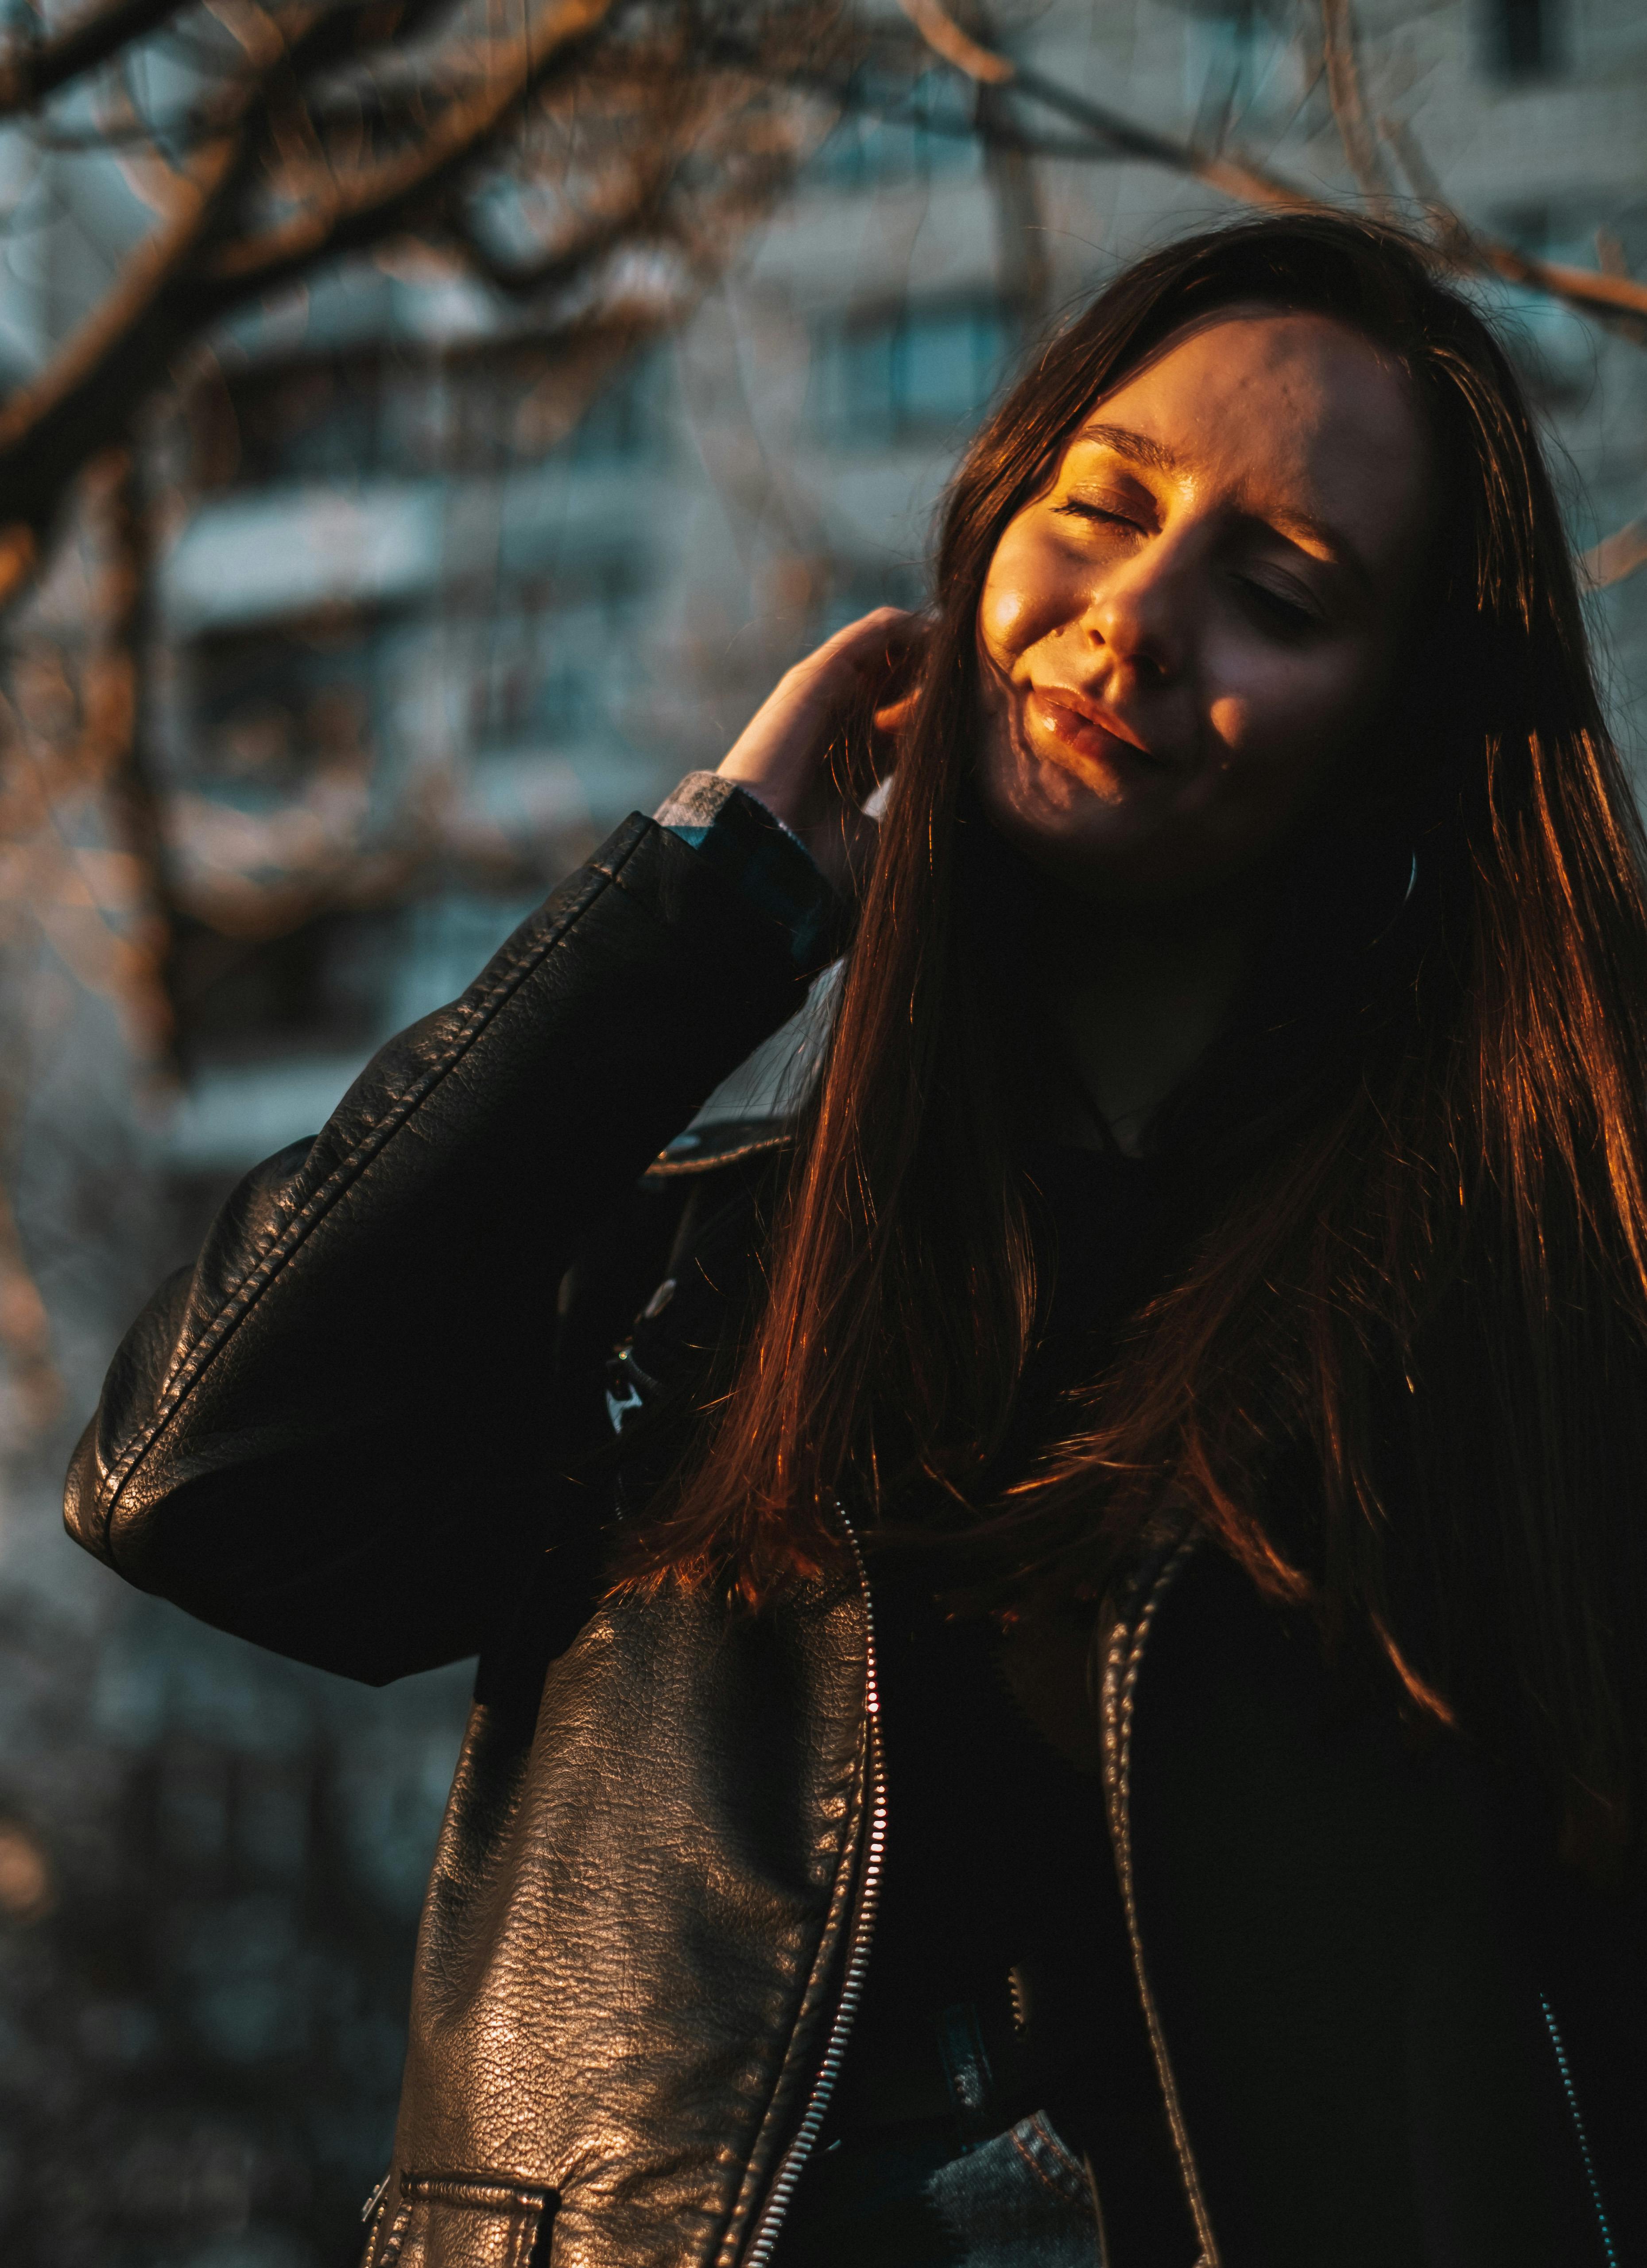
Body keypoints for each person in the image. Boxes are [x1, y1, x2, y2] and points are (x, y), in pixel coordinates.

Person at [66, 214, 1647, 2267]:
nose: (1137, 621)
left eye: (1277, 594)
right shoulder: (692, 1280)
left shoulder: (1518, 1329)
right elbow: (199, 1477)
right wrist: (695, 909)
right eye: (1102, 509)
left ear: (1398, 735)